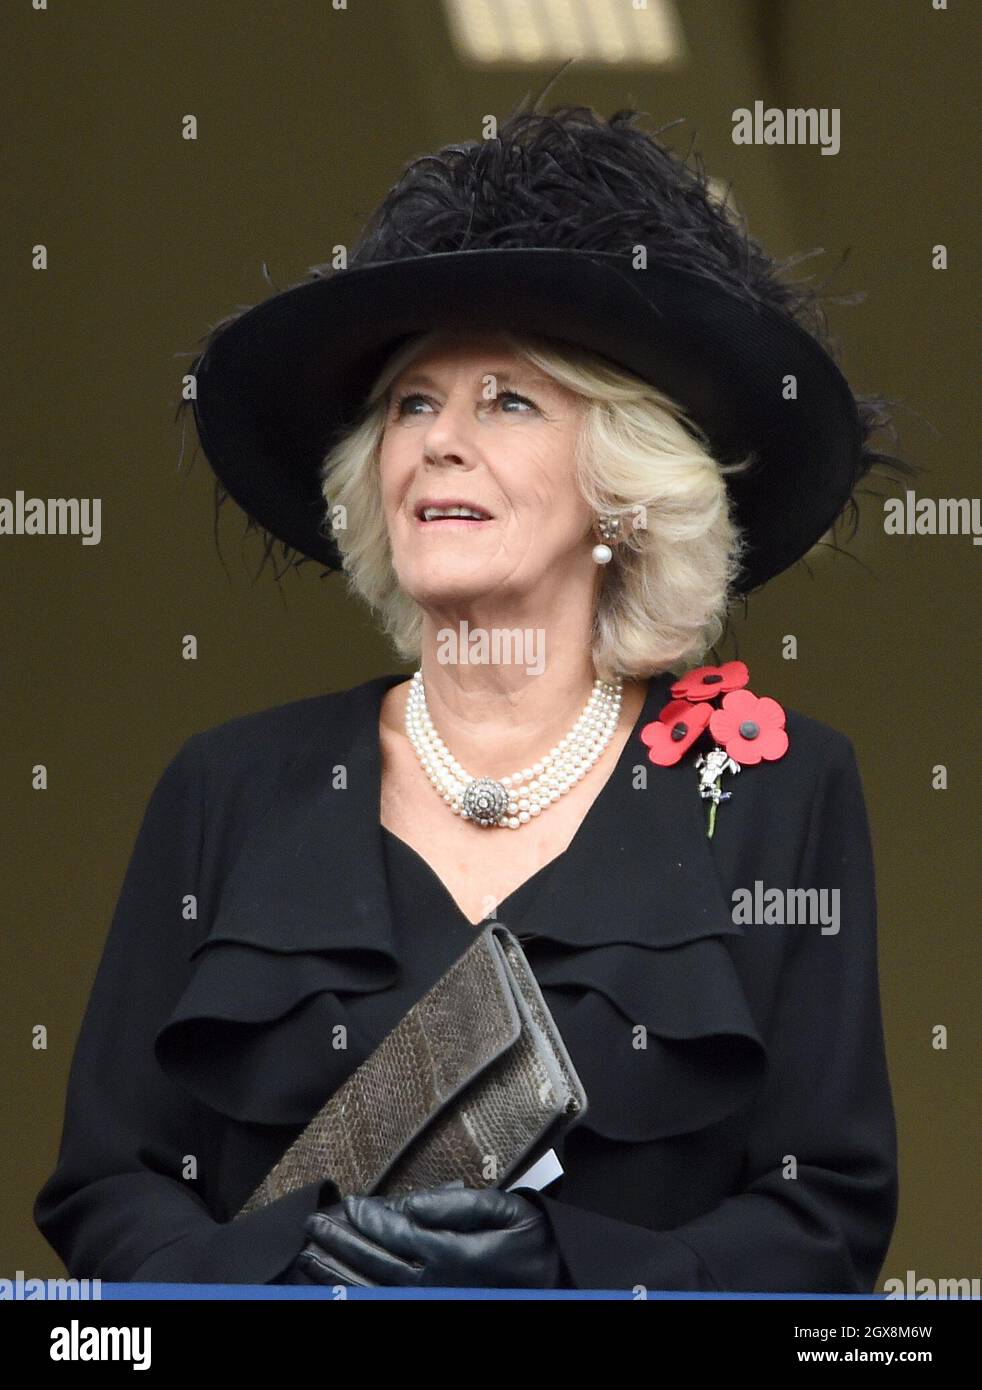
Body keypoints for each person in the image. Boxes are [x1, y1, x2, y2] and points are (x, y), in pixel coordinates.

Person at [34, 103, 906, 1292]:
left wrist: (571, 1274)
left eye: (508, 399)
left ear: (622, 486)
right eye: (410, 402)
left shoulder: (776, 787)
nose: (440, 441)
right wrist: (271, 1278)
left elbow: (827, 1216)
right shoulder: (226, 787)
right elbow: (109, 1181)